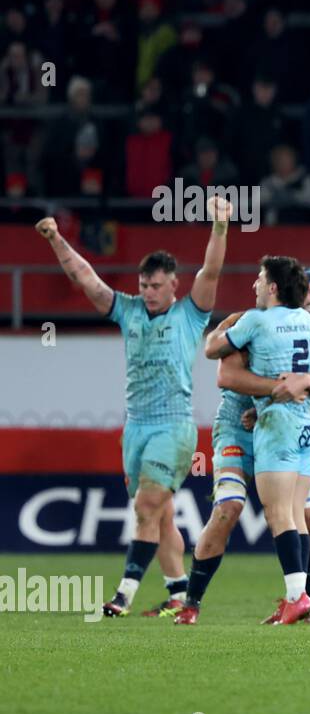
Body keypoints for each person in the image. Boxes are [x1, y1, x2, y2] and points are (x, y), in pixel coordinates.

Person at [36, 197, 229, 619]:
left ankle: (123, 593)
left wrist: (220, 226)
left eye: (156, 286)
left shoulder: (191, 315)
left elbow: (211, 270)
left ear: (173, 285)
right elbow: (85, 278)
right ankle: (179, 595)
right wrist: (55, 239)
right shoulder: (128, 310)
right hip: (136, 428)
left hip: (173, 427)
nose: (149, 293)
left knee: (145, 508)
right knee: (159, 518)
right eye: (144, 285)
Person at [177, 269, 310, 625]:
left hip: (280, 427)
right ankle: (191, 602)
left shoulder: (309, 331)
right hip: (237, 426)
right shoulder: (247, 322)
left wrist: (304, 382)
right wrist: (271, 393)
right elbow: (226, 375)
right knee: (229, 508)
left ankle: (308, 604)